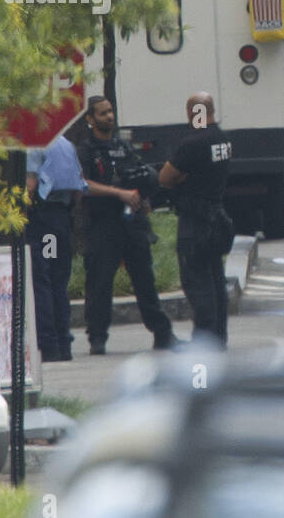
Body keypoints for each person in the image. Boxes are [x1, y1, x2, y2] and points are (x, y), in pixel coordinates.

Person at [76, 96, 180, 354]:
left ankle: (162, 332)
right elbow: (82, 184)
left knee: (145, 278)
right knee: (99, 283)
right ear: (90, 119)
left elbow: (139, 175)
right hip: (103, 223)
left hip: (132, 222)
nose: (109, 117)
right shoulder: (86, 150)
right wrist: (118, 193)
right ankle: (97, 339)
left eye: (110, 112)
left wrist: (143, 199)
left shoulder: (123, 146)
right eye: (102, 113)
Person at [159, 92, 234, 348]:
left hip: (195, 222)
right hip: (217, 218)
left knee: (198, 284)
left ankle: (204, 342)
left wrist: (182, 178)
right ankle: (219, 338)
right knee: (215, 280)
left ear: (194, 113)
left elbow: (165, 178)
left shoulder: (192, 143)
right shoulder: (222, 139)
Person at [25, 135, 88, 361]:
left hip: (42, 221)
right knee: (59, 283)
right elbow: (80, 185)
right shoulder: (66, 144)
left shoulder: (33, 145)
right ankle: (63, 343)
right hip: (61, 220)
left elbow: (30, 185)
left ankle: (48, 345)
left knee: (42, 282)